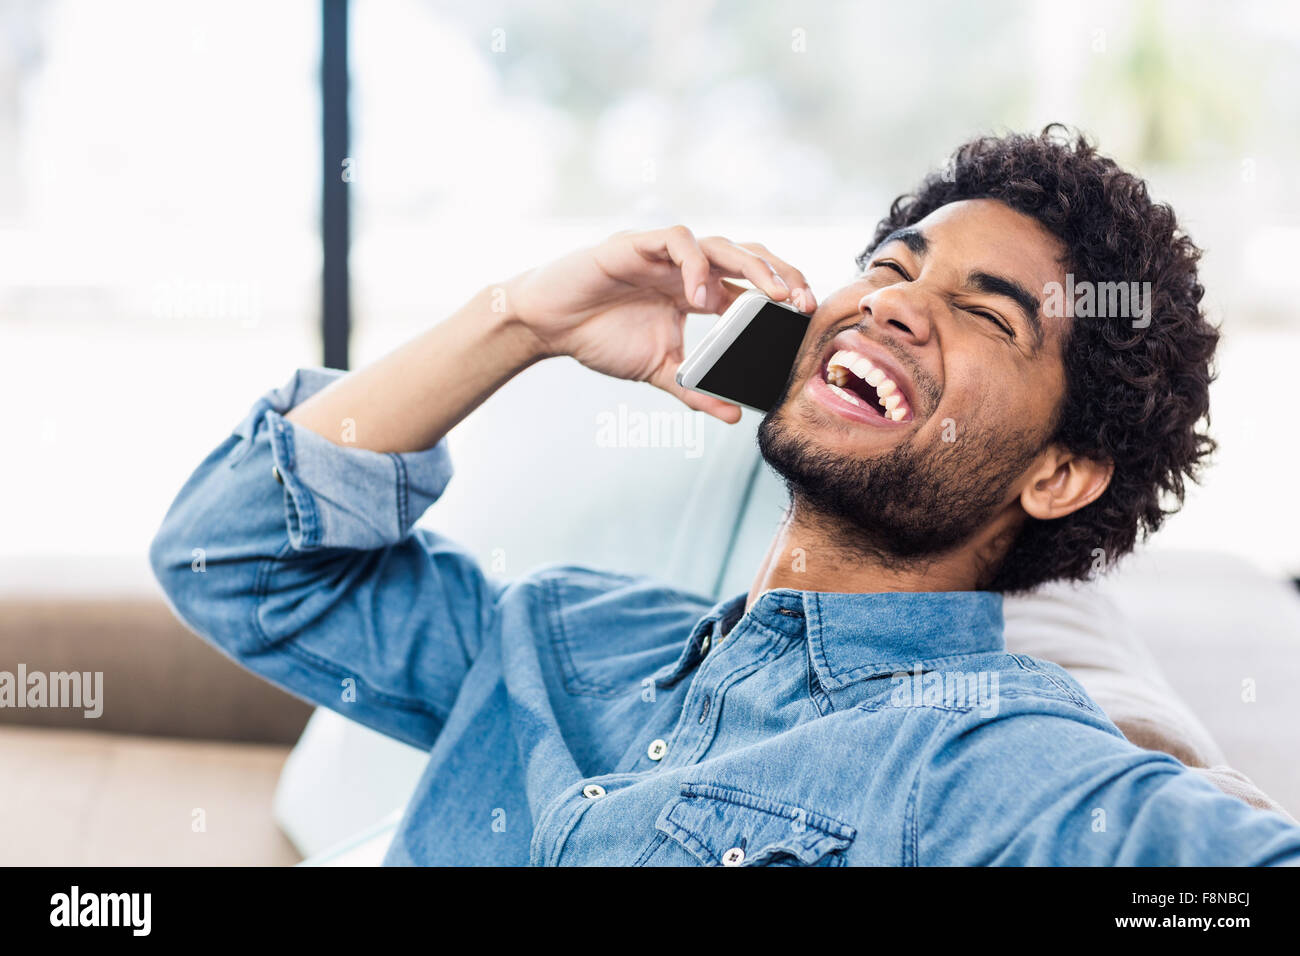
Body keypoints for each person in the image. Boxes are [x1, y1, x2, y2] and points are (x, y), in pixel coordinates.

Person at [151, 126, 1300, 865]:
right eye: (893, 267)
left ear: (1057, 473)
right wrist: (520, 323)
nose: (894, 304)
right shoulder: (559, 636)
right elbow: (232, 556)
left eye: (989, 313)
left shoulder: (988, 760)